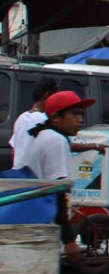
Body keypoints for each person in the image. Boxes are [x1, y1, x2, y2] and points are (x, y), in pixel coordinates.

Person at [17, 90, 93, 262]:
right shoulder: (55, 140)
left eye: (81, 114)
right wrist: (69, 239)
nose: (80, 120)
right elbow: (57, 191)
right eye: (74, 114)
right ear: (56, 118)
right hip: (43, 225)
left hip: (35, 220)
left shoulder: (47, 135)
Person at [8, 78, 59, 163]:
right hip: (33, 171)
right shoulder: (44, 120)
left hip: (18, 170)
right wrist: (84, 146)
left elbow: (14, 150)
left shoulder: (21, 118)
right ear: (47, 95)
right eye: (56, 97)